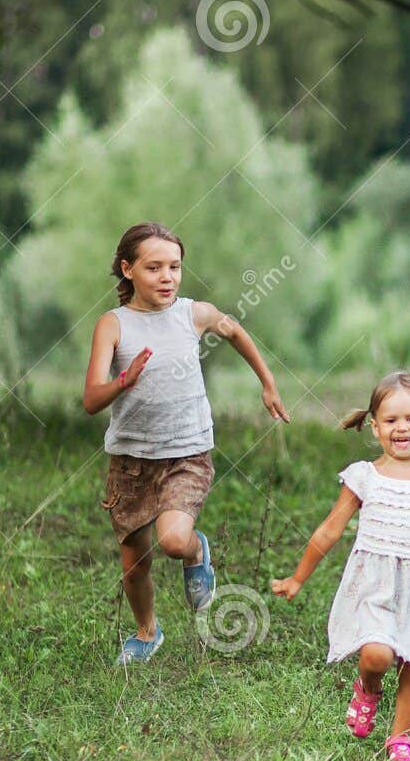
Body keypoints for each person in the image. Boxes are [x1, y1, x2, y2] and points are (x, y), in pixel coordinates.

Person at [83, 221, 289, 665]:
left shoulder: (193, 314)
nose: (167, 277)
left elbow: (234, 332)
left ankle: (197, 553)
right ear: (127, 270)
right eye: (154, 267)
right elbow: (90, 400)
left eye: (174, 267)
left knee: (174, 540)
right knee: (134, 563)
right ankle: (146, 633)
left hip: (186, 453)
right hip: (131, 462)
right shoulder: (113, 324)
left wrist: (267, 383)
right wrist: (124, 380)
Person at [271, 372, 410, 761]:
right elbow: (329, 530)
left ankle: (400, 738)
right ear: (374, 427)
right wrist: (297, 577)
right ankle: (368, 687)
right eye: (391, 420)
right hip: (375, 585)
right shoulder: (364, 477)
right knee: (377, 654)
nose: (402, 428)